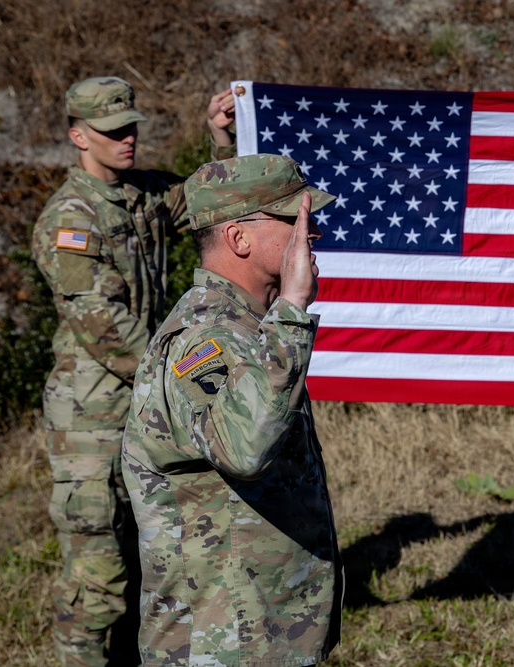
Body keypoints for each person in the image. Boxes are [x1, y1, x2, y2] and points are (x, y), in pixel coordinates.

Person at [31, 77, 236, 666]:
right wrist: (176, 380)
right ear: (78, 136)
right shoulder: (68, 220)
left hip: (145, 406)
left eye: (132, 127)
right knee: (99, 575)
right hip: (90, 419)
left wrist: (218, 139)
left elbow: (214, 203)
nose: (128, 138)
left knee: (153, 557)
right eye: (112, 131)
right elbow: (100, 321)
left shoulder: (142, 195)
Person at [121, 154, 343, 666]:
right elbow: (244, 449)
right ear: (239, 240)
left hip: (261, 632)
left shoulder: (246, 326)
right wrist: (291, 309)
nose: (312, 234)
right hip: (220, 641)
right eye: (294, 220)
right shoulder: (204, 337)